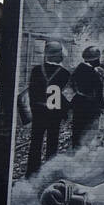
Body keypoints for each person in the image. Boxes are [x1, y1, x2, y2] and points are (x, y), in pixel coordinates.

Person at [26, 41, 71, 174]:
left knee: (35, 142)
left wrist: (33, 110)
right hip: (54, 112)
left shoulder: (36, 70)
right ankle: (48, 172)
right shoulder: (65, 73)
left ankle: (31, 172)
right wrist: (65, 113)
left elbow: (32, 92)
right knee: (52, 142)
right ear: (59, 56)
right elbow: (65, 96)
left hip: (38, 112)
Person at [70, 46, 104, 148]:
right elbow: (99, 96)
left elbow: (72, 87)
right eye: (98, 58)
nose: (99, 61)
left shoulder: (78, 70)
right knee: (89, 133)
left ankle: (75, 150)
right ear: (94, 59)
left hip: (78, 105)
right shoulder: (95, 74)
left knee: (77, 131)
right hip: (91, 107)